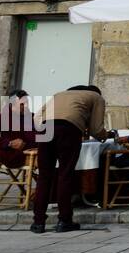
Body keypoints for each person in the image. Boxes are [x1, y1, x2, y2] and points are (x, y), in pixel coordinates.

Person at [32, 85, 108, 234]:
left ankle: (38, 222)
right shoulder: (96, 97)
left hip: (45, 129)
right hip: (68, 130)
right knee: (65, 175)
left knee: (44, 176)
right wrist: (106, 136)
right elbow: (96, 129)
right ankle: (64, 220)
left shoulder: (59, 94)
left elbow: (37, 117)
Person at [0, 90, 37, 170]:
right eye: (22, 104)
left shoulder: (31, 116)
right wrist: (9, 143)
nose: (26, 106)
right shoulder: (1, 118)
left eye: (27, 103)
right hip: (14, 155)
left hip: (34, 152)